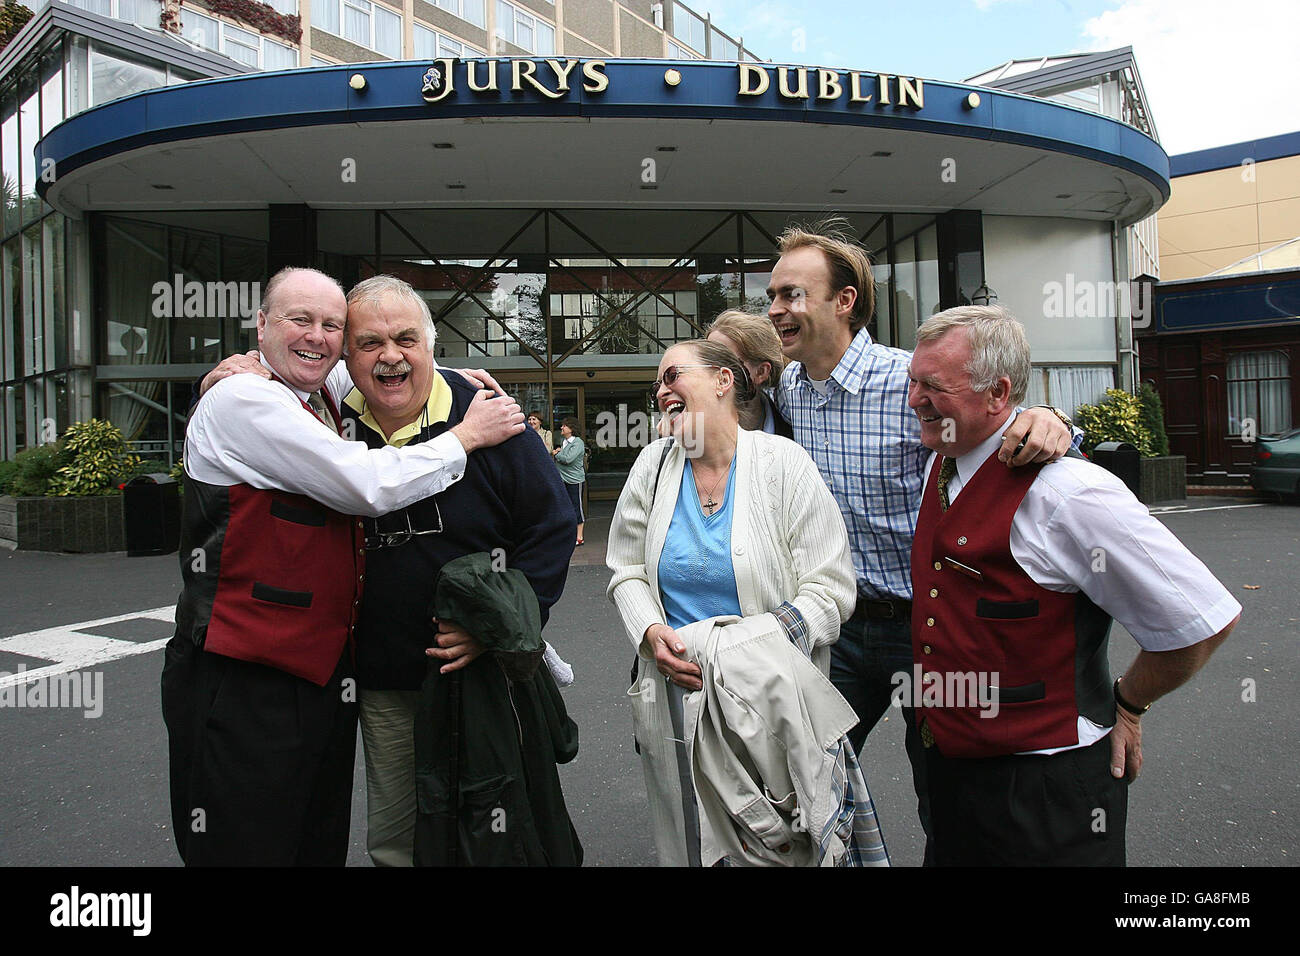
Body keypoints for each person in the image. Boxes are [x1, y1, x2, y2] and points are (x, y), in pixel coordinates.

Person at [161, 266, 526, 867]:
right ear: (260, 325)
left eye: (332, 324)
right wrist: (466, 435)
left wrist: (454, 375)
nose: (318, 335)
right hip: (242, 674)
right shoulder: (244, 399)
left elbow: (384, 356)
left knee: (313, 840)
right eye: (299, 319)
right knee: (247, 844)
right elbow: (363, 484)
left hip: (319, 675)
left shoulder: (316, 386)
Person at [765, 218, 1075, 855]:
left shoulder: (910, 383)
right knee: (801, 775)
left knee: (946, 795)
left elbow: (1001, 425)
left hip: (925, 631)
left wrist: (1052, 420)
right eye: (773, 296)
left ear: (843, 301)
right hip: (841, 627)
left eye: (792, 294)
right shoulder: (792, 390)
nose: (776, 309)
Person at [906, 305, 1240, 865]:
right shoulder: (941, 461)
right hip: (954, 773)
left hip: (1046, 791)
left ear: (997, 393)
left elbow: (1200, 620)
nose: (913, 400)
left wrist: (1129, 706)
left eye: (932, 387)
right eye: (912, 381)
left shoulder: (1071, 495)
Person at [607, 339, 887, 867]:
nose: (662, 390)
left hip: (768, 707)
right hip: (675, 696)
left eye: (673, 376)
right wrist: (649, 633)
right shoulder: (651, 465)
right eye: (656, 386)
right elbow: (626, 571)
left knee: (782, 843)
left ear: (723, 381)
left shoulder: (784, 463)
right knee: (695, 844)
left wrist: (741, 654)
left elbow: (830, 590)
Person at [332, 275, 581, 866]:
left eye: (405, 339)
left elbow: (548, 530)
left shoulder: (489, 417)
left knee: (497, 827)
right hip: (384, 679)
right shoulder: (325, 420)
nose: (390, 356)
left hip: (484, 677)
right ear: (348, 355)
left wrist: (498, 625)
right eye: (369, 343)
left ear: (431, 345)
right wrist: (240, 367)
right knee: (395, 837)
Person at [706, 310, 792, 437]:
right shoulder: (690, 431)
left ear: (761, 372)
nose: (707, 372)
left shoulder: (793, 430)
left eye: (723, 363)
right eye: (705, 361)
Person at [553, 416, 586, 546]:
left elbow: (568, 459)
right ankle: (570, 534)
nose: (561, 428)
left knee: (576, 506)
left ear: (571, 428)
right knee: (565, 507)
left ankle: (579, 537)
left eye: (564, 426)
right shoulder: (564, 442)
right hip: (563, 479)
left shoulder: (578, 442)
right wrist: (560, 452)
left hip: (574, 480)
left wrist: (557, 453)